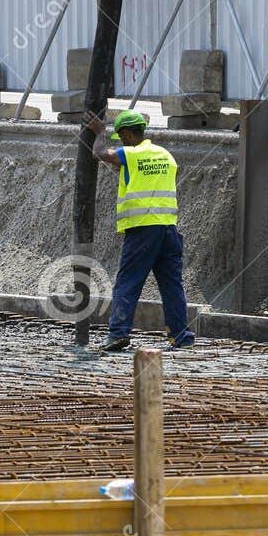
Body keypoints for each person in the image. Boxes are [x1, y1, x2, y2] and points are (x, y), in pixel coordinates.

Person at [85, 109, 194, 353]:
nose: (122, 141)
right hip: (168, 229)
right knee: (172, 285)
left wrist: (100, 132)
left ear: (127, 134)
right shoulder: (166, 155)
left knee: (127, 282)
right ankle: (181, 336)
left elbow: (99, 153)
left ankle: (118, 334)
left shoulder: (131, 153)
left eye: (122, 136)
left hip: (143, 230)